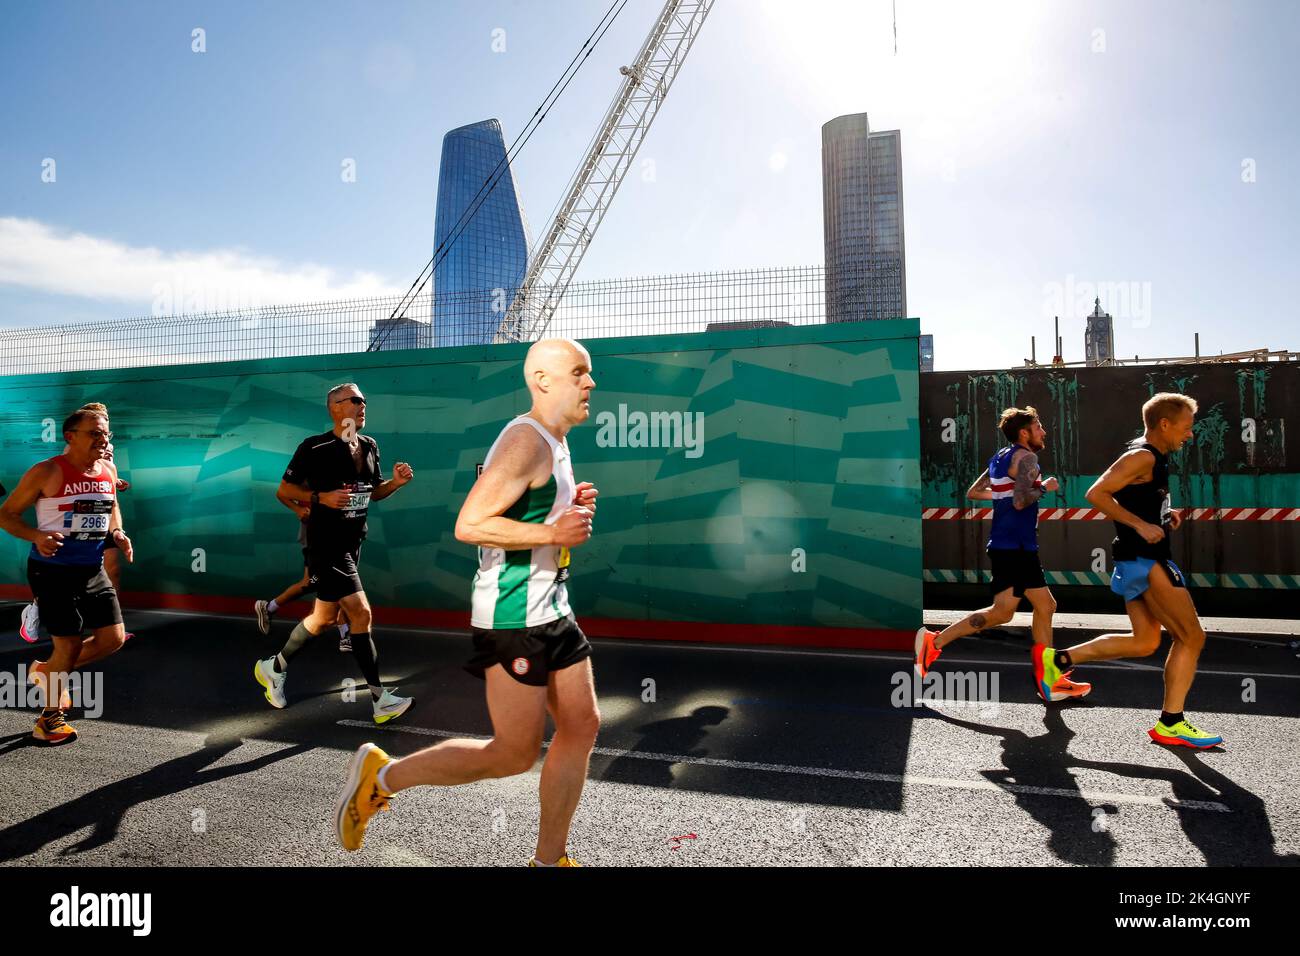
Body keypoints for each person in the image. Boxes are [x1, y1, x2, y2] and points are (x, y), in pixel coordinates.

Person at [333, 339, 600, 866]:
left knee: (582, 723)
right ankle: (380, 777)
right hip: (513, 612)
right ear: (544, 381)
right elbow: (471, 525)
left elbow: (527, 510)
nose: (590, 383)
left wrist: (564, 509)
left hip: (551, 606)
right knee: (512, 754)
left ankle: (550, 859)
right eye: (579, 372)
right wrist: (556, 534)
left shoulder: (554, 439)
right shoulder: (526, 441)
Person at [1034, 393, 1222, 748]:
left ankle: (1057, 660)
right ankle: (1171, 722)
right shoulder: (1141, 456)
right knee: (1192, 637)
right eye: (1186, 427)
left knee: (1145, 641)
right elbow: (1097, 493)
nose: (1190, 434)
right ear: (1164, 424)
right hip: (1146, 559)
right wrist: (1139, 525)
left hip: (1139, 556)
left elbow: (1135, 497)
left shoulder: (1154, 456)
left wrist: (1165, 516)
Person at [253, 383, 414, 724]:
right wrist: (319, 499)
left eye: (364, 400)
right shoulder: (315, 447)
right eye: (356, 400)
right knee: (361, 614)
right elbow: (285, 490)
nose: (363, 405)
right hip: (326, 544)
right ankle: (379, 699)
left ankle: (273, 667)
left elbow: (374, 493)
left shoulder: (370, 446)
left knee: (323, 619)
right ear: (336, 408)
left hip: (353, 543)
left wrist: (396, 485)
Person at [915, 407, 1090, 701]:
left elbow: (975, 491)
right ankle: (1049, 679)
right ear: (1025, 432)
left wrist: (1008, 494)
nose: (1043, 432)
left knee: (1019, 610)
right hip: (1018, 547)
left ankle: (936, 642)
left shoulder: (1000, 457)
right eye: (1039, 427)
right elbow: (1022, 502)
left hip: (1007, 544)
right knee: (1033, 607)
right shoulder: (1028, 459)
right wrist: (1043, 487)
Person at [0, 407, 133, 745]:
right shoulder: (45, 472)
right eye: (95, 433)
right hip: (52, 571)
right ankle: (48, 719)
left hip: (91, 568)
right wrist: (36, 536)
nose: (103, 440)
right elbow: (7, 515)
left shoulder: (107, 469)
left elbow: (111, 506)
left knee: (112, 639)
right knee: (68, 644)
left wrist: (117, 533)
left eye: (106, 434)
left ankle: (47, 671)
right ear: (70, 437)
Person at [254, 514, 351, 651]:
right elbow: (284, 494)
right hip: (318, 539)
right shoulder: (319, 496)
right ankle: (344, 634)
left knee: (323, 581)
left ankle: (269, 608)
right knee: (322, 581)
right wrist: (300, 509)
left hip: (334, 538)